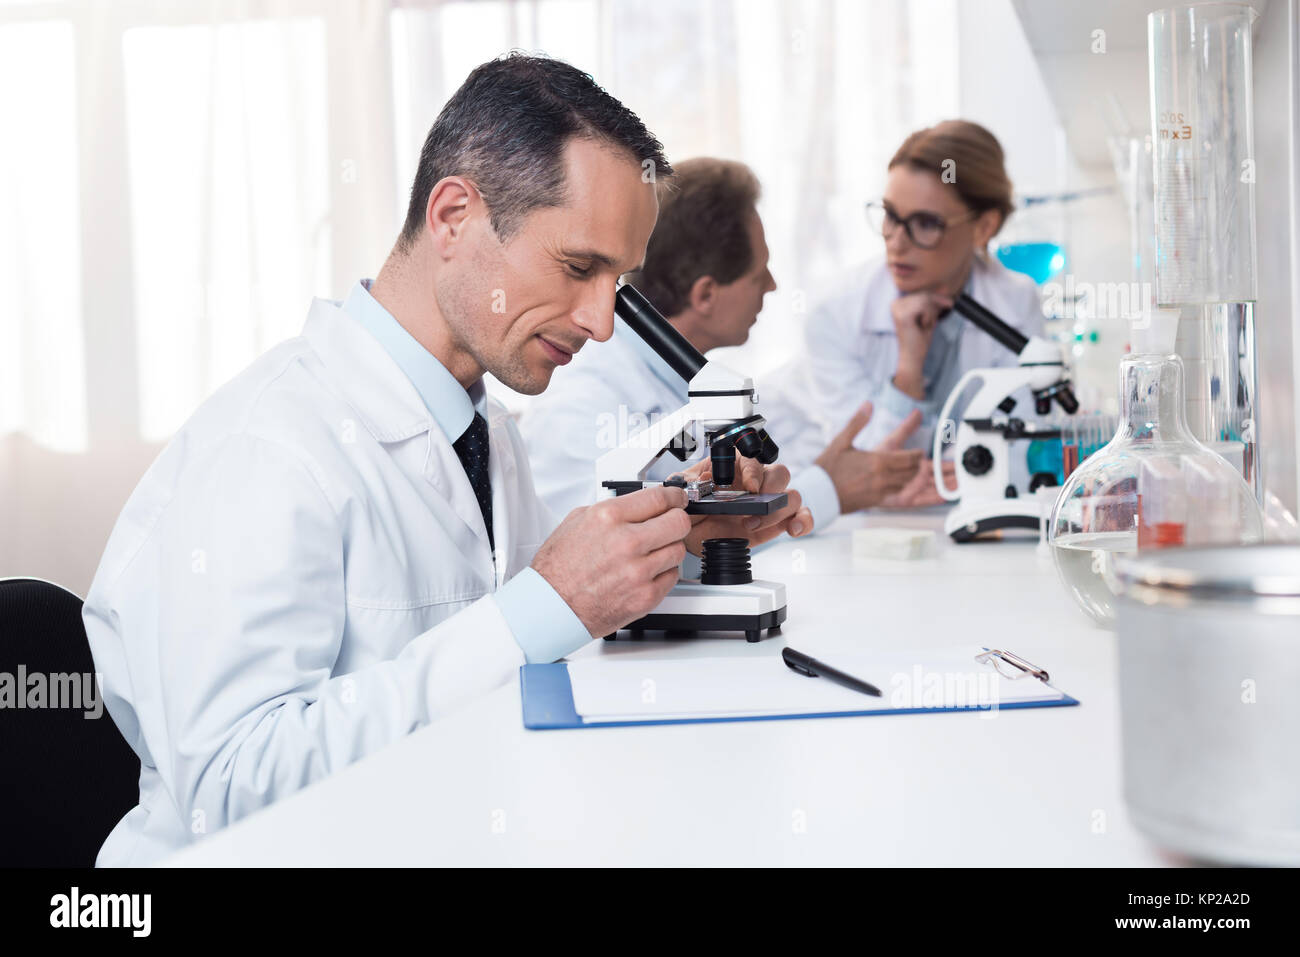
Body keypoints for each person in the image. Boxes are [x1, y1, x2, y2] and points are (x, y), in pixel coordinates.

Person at [82, 54, 810, 865]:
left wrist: (674, 542)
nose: (602, 322)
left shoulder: (481, 427)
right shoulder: (268, 447)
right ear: (454, 215)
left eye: (618, 281)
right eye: (578, 268)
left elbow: (525, 634)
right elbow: (229, 789)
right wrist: (544, 601)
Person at [522, 157, 931, 530]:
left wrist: (856, 485)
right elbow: (611, 552)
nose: (773, 286)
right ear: (705, 296)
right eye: (758, 275)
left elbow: (781, 472)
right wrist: (829, 491)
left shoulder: (709, 387)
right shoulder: (581, 406)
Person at [804, 121, 1045, 464]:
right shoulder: (835, 313)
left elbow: (1023, 444)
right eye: (890, 215)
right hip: (864, 518)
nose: (897, 243)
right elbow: (861, 466)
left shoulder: (1016, 302)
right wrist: (909, 370)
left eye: (926, 223)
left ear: (984, 227)